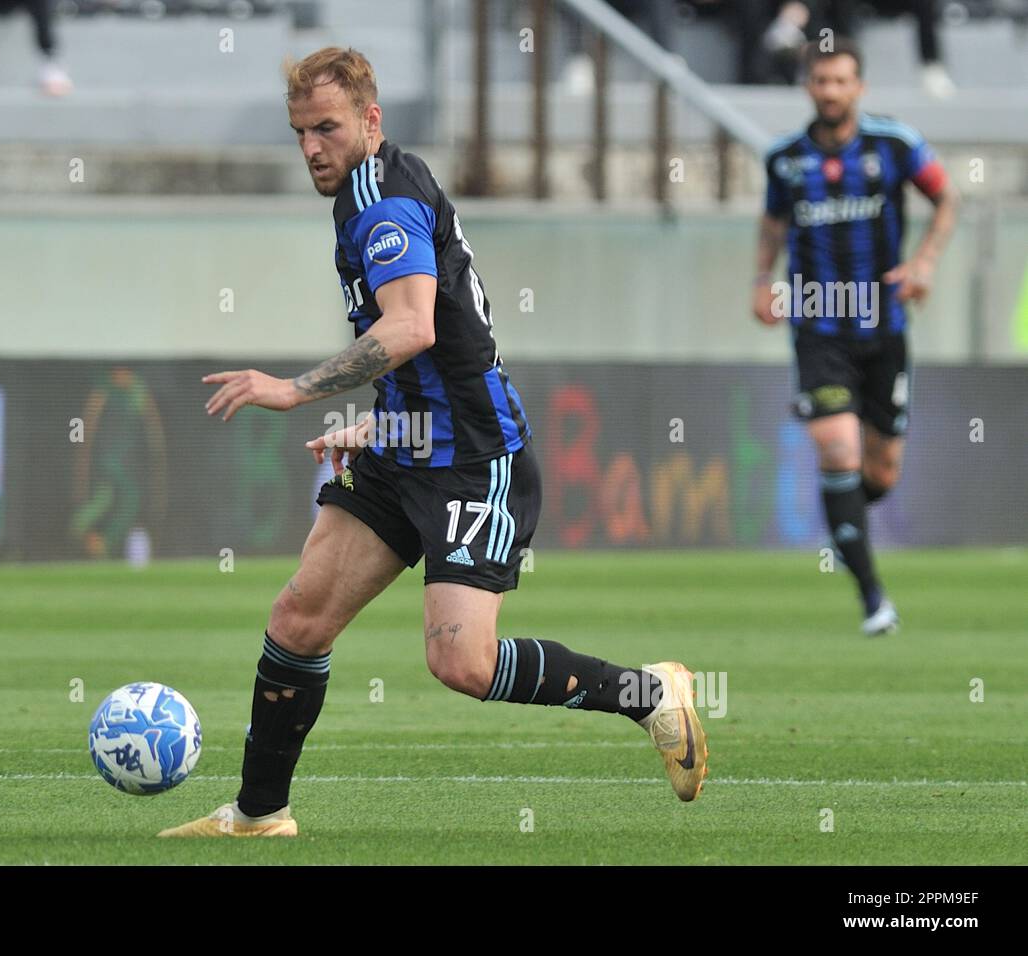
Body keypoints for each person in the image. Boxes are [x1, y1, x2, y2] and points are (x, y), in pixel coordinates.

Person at [158, 47, 709, 838]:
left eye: (327, 128)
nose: (311, 146)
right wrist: (385, 421)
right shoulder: (362, 193)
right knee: (298, 620)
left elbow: (413, 326)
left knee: (462, 664)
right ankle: (258, 814)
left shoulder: (380, 200)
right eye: (299, 132)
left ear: (370, 121)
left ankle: (648, 695)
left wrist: (294, 391)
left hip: (474, 457)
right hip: (407, 441)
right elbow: (443, 332)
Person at [752, 39, 959, 636]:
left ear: (859, 87)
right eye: (821, 80)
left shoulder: (894, 144)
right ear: (808, 86)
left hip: (885, 331)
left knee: (880, 471)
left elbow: (947, 196)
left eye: (841, 81)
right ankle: (874, 599)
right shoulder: (785, 160)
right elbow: (772, 224)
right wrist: (760, 280)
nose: (831, 91)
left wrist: (924, 263)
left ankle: (844, 519)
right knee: (838, 450)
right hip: (818, 329)